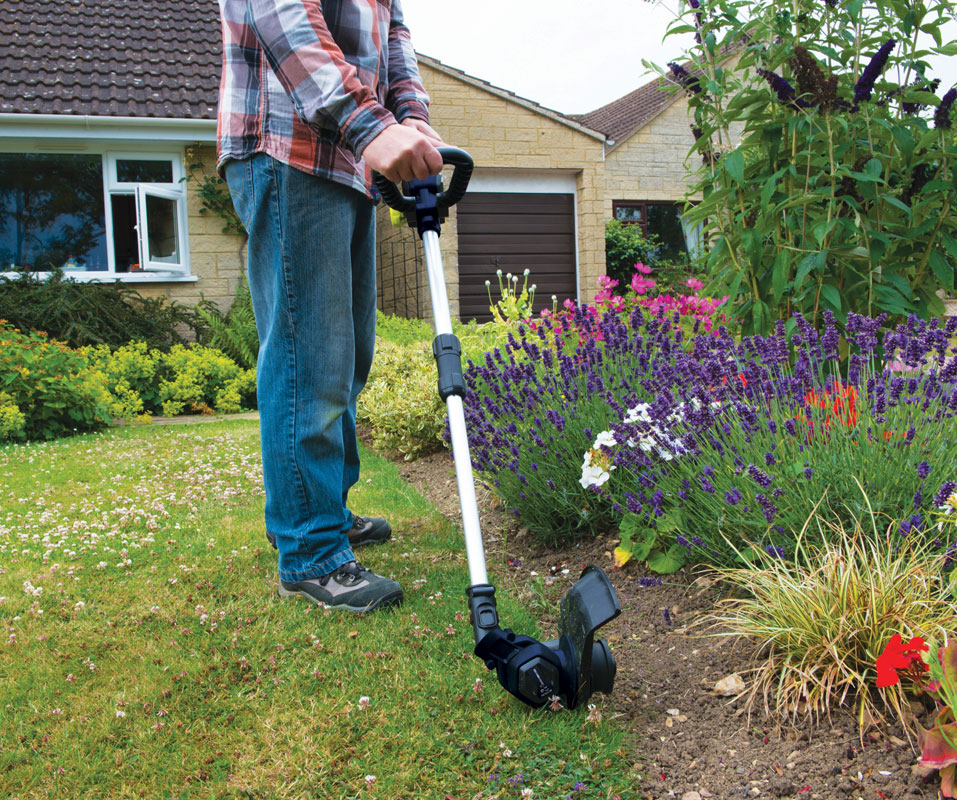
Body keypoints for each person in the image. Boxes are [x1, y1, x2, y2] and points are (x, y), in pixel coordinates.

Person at [216, 0, 443, 613]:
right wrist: (372, 127)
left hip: (350, 162)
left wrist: (412, 120)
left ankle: (325, 513)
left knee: (347, 357)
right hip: (288, 146)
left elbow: (394, 42)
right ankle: (311, 550)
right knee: (309, 358)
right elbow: (282, 15)